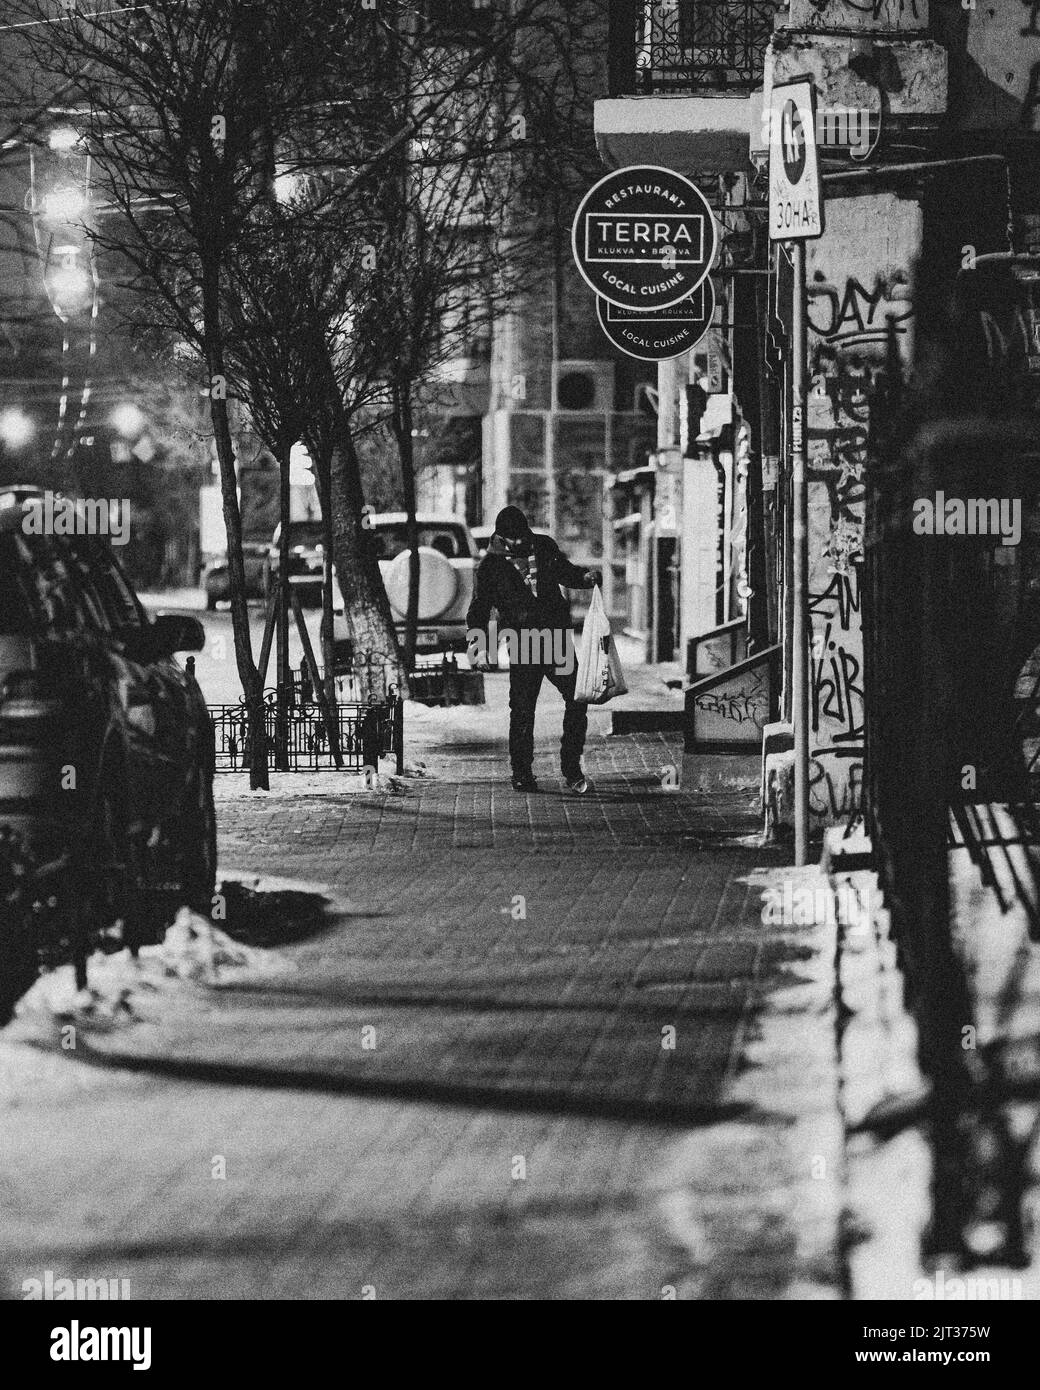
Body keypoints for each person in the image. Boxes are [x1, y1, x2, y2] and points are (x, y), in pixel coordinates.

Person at [466, 505, 596, 795]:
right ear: (501, 538)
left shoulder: (544, 546)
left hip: (556, 639)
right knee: (522, 710)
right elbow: (479, 609)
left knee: (577, 697)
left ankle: (571, 766)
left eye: (522, 537)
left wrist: (584, 578)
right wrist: (479, 649)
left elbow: (565, 571)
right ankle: (522, 774)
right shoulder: (490, 566)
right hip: (523, 643)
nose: (519, 543)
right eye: (512, 540)